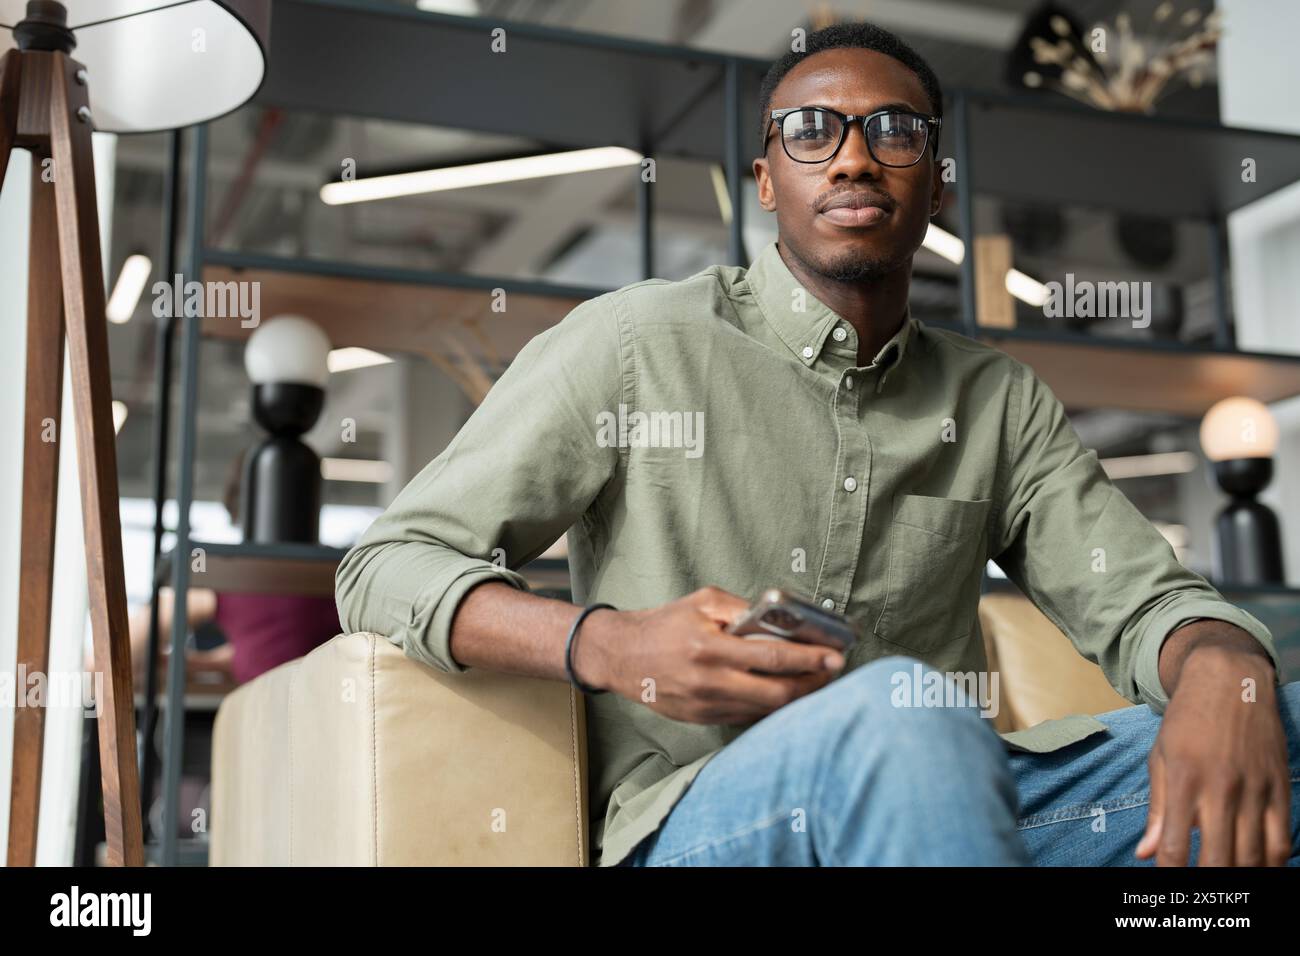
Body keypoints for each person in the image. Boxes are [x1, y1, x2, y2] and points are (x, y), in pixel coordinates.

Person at [335, 22, 1300, 867]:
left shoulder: (997, 401)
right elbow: (383, 565)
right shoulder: (633, 345)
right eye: (811, 131)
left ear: (938, 186)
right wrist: (608, 642)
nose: (851, 158)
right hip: (705, 826)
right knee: (901, 715)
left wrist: (1226, 667)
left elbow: (1144, 603)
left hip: (945, 808)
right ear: (765, 180)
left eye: (895, 131)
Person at [126, 449, 341, 688]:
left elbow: (113, 655)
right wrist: (207, 663)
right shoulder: (342, 575)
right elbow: (282, 646)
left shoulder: (229, 583)